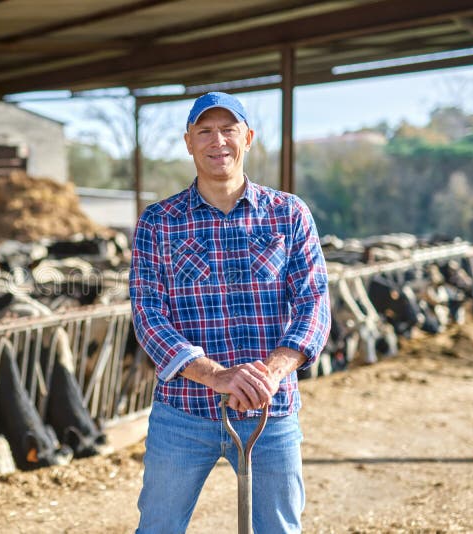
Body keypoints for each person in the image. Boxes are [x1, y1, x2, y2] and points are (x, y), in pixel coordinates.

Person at [129, 91, 331, 533]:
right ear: (188, 142)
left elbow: (313, 302)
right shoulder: (158, 222)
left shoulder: (289, 214)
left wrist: (271, 373)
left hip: (270, 410)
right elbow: (147, 314)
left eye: (228, 129)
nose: (216, 141)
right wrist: (218, 376)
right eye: (204, 131)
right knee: (158, 528)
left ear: (249, 138)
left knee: (279, 529)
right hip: (184, 413)